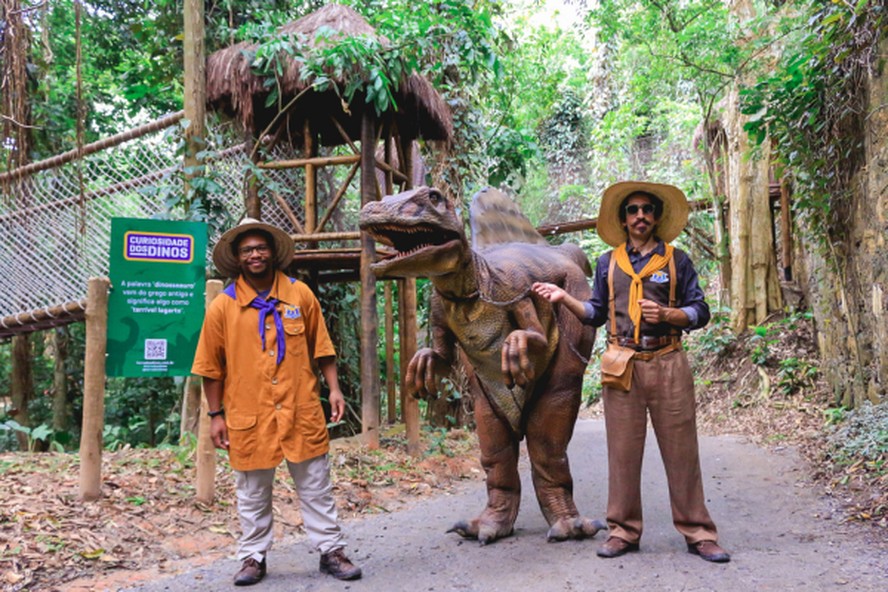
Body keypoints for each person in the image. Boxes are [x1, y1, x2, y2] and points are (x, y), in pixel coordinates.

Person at [532, 181, 730, 563]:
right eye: (633, 210)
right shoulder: (608, 263)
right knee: (622, 452)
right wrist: (564, 299)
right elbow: (596, 313)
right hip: (622, 364)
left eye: (647, 210)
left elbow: (700, 311)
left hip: (669, 362)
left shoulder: (677, 260)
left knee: (682, 451)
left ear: (656, 218)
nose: (640, 215)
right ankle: (623, 531)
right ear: (623, 220)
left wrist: (671, 315)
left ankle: (698, 532)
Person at [192, 218, 362, 585]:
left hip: (300, 408)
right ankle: (254, 557)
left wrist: (334, 389)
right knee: (252, 491)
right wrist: (215, 415)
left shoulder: (300, 295)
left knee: (316, 484)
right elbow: (210, 367)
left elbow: (323, 349)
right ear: (238, 258)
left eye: (261, 248)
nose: (255, 254)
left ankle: (331, 550)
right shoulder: (223, 307)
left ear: (272, 252)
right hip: (248, 414)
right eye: (247, 250)